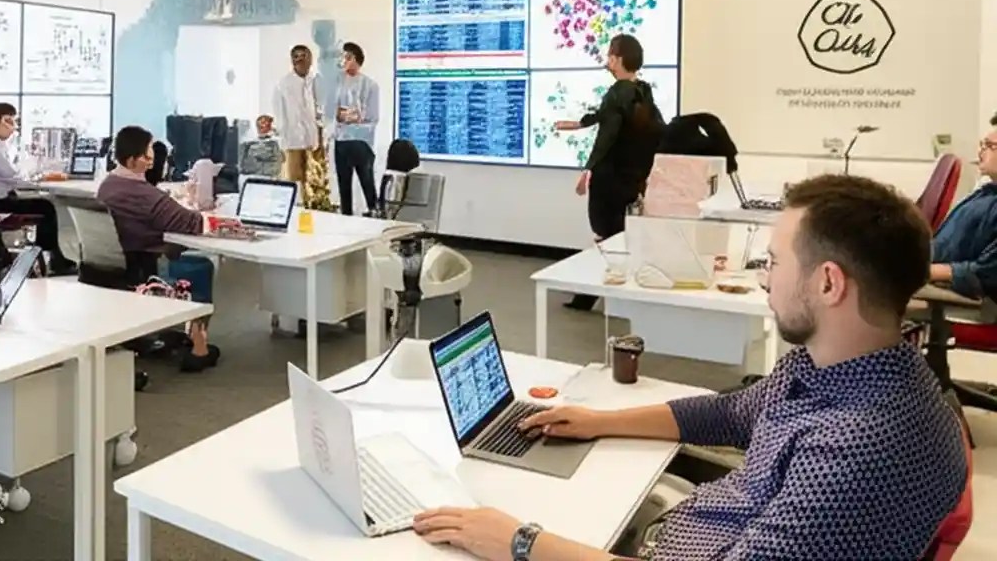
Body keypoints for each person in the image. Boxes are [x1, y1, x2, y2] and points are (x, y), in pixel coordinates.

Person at [414, 174, 967, 561]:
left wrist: (521, 543)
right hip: (689, 528)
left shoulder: (858, 451)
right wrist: (595, 420)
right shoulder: (840, 368)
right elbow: (729, 414)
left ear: (828, 283)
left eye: (772, 263)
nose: (762, 279)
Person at [97, 126, 218, 371]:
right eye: (147, 155)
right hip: (147, 265)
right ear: (133, 160)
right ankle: (199, 346)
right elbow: (190, 223)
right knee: (201, 265)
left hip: (116, 262)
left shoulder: (107, 185)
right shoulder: (145, 195)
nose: (152, 160)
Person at [556, 34, 663, 310]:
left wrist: (588, 169)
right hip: (632, 179)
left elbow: (608, 133)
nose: (607, 61)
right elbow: (611, 119)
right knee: (617, 234)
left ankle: (592, 294)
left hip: (610, 179)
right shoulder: (643, 94)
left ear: (618, 59)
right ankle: (593, 293)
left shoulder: (617, 93)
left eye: (610, 56)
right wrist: (580, 123)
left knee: (606, 233)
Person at [0, 102, 77, 275]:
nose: (12, 128)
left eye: (14, 122)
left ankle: (52, 257)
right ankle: (53, 259)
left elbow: (9, 176)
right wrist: (39, 183)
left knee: (42, 203)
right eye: (8, 121)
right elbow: (14, 178)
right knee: (46, 207)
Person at [930, 122, 997, 300]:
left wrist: (922, 271)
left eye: (990, 146)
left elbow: (986, 274)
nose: (981, 152)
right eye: (982, 145)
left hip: (957, 289)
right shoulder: (986, 192)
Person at [332, 42, 380, 216]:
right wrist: (343, 115)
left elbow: (371, 116)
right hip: (341, 140)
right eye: (342, 56)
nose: (344, 60)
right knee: (344, 186)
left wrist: (352, 117)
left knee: (367, 182)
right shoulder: (336, 83)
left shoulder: (370, 85)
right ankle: (346, 217)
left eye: (348, 57)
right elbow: (331, 109)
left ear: (357, 59)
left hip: (362, 142)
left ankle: (375, 213)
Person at [274, 45, 322, 185]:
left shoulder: (315, 81)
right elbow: (279, 114)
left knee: (315, 184)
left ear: (310, 60)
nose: (300, 60)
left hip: (313, 141)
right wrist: (283, 139)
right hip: (292, 142)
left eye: (303, 56)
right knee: (294, 183)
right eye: (296, 57)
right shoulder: (283, 84)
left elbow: (320, 109)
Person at [239, 114, 285, 179]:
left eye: (268, 124)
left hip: (269, 179)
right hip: (251, 179)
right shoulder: (247, 145)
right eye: (263, 124)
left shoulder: (275, 144)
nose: (265, 126)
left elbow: (276, 168)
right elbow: (243, 166)